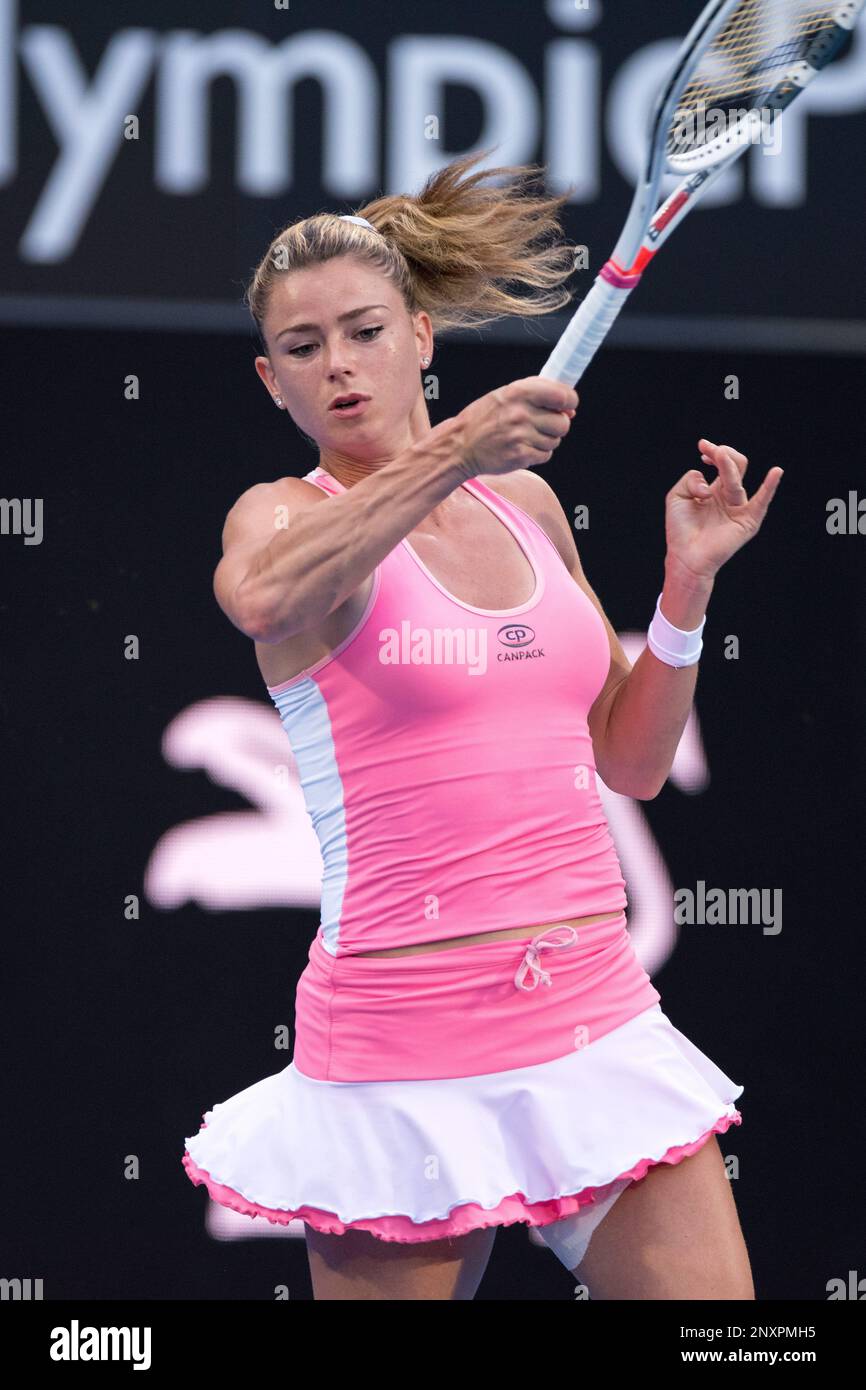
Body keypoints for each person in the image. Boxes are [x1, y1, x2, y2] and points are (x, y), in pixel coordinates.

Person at [182, 149, 780, 1300]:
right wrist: (453, 447)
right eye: (303, 350)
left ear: (420, 336)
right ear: (272, 381)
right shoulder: (279, 518)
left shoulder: (526, 505)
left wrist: (683, 592)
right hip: (399, 1050)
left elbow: (629, 759)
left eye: (363, 332)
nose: (339, 367)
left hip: (590, 1013)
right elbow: (264, 600)